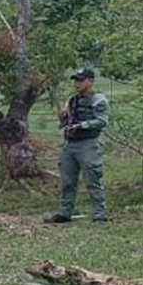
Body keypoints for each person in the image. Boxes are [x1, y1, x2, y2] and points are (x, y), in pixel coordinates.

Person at [48, 69, 110, 224]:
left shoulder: (98, 100)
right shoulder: (72, 100)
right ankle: (64, 212)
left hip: (88, 144)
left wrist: (82, 125)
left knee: (92, 179)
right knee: (68, 181)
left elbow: (102, 121)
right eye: (76, 80)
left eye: (81, 80)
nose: (77, 84)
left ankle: (100, 214)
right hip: (70, 144)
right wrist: (63, 117)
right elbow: (66, 123)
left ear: (90, 81)